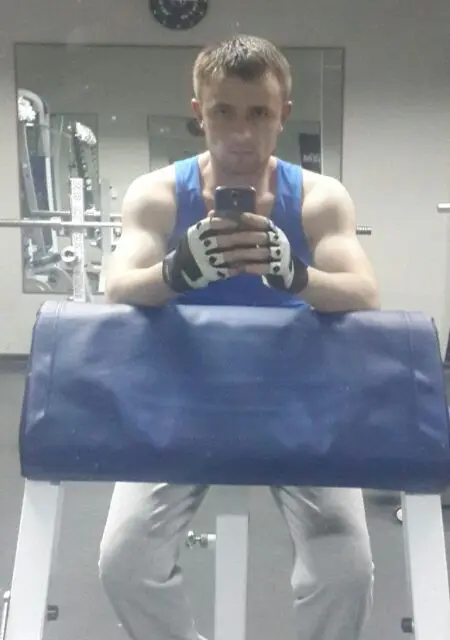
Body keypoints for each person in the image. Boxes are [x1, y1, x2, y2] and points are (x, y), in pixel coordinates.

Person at [99, 34, 379, 640]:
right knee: (124, 562)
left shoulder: (319, 199)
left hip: (297, 394)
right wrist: (175, 273)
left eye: (259, 113)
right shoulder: (157, 193)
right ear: (198, 113)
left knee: (346, 570)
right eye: (224, 111)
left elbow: (363, 292)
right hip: (183, 395)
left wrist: (297, 276)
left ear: (283, 115)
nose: (242, 132)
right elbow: (117, 286)